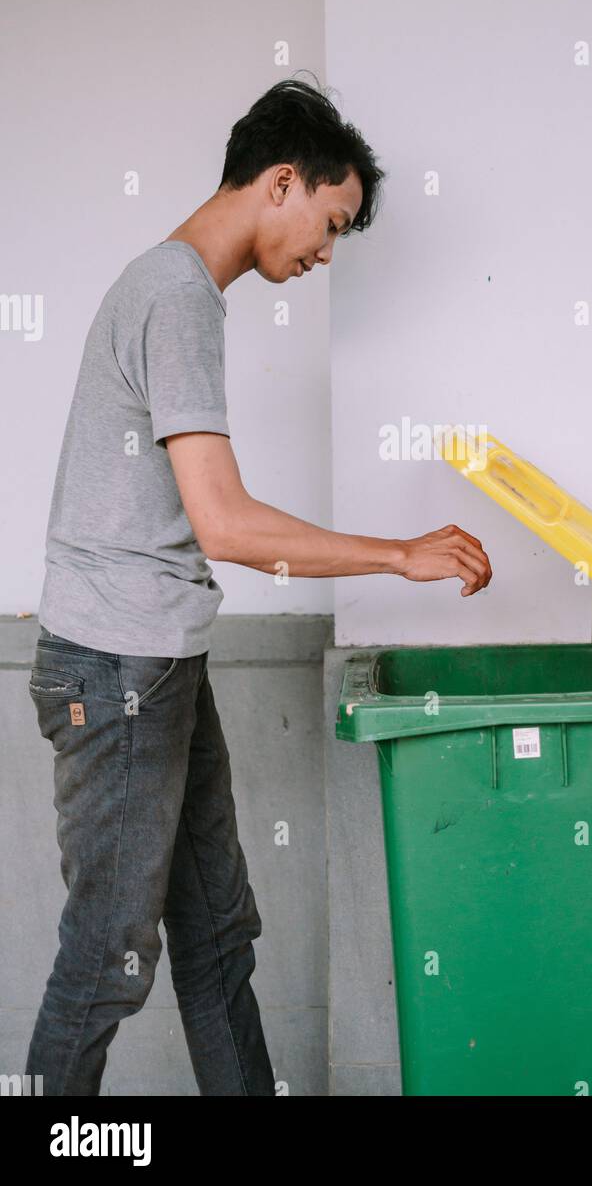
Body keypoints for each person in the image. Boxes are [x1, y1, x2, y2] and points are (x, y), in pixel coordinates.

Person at [26, 74, 493, 1096]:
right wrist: (397, 552)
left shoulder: (174, 291)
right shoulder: (176, 291)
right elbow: (227, 524)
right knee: (108, 959)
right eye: (330, 223)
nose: (325, 253)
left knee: (214, 940)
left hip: (157, 664)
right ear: (282, 181)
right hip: (116, 673)